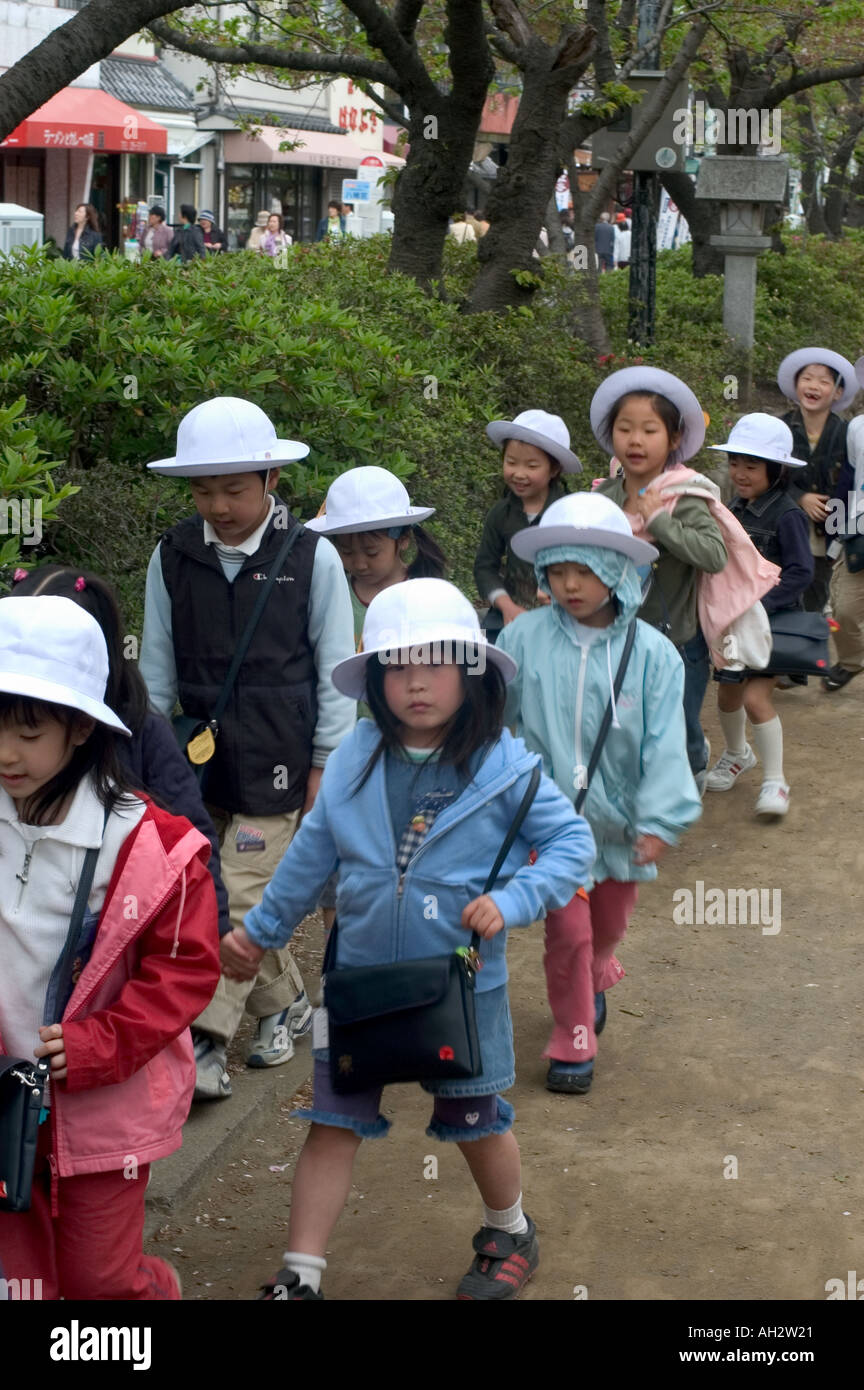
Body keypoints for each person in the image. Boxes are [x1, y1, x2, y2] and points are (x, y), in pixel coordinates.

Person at [220, 578, 596, 1300]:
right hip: (356, 979)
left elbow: (573, 846)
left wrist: (515, 898)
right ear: (375, 680)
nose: (416, 682)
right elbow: (309, 858)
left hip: (460, 986)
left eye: (435, 662)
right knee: (332, 1120)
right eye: (397, 666)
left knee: (475, 1118)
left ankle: (509, 1229)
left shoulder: (507, 769)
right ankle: (300, 1275)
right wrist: (259, 932)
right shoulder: (356, 758)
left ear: (472, 671)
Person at [0, 596, 220, 1299]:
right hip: (3, 1096)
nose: (7, 753)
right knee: (21, 1283)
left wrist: (99, 1043)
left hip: (102, 1111)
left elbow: (184, 972)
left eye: (29, 733)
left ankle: (152, 1290)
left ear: (83, 728)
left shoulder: (150, 845)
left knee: (99, 1281)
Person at [140, 398, 355, 1101]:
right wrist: (149, 765)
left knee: (237, 899)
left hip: (283, 765)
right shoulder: (173, 556)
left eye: (234, 488)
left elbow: (333, 670)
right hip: (197, 766)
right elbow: (156, 676)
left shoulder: (311, 556)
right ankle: (284, 1001)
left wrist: (327, 764)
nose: (219, 505)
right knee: (203, 897)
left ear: (271, 479)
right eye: (204, 490)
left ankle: (203, 1046)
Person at [498, 493, 701, 1094]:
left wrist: (660, 818)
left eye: (583, 571)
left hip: (619, 822)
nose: (569, 585)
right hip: (551, 821)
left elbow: (667, 740)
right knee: (569, 931)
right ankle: (573, 1039)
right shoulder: (524, 641)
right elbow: (497, 723)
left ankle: (595, 970)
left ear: (615, 572)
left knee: (607, 924)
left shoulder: (656, 657)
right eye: (556, 571)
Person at [10, 563, 231, 937]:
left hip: (121, 938)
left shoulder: (141, 735)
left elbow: (190, 841)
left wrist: (214, 923)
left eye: (30, 734)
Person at [593, 367, 727, 790]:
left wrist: (659, 521)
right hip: (616, 638)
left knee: (680, 721)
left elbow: (714, 556)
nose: (635, 440)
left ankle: (694, 757)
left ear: (672, 440)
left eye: (650, 430)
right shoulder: (602, 499)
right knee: (627, 720)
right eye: (625, 428)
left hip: (677, 643)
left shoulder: (684, 497)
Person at [702, 416, 812, 817]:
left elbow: (802, 572)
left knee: (754, 697)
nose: (740, 473)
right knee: (728, 694)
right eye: (735, 463)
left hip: (770, 624)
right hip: (733, 625)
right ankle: (736, 754)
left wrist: (759, 604)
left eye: (751, 465)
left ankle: (775, 781)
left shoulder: (787, 514)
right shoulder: (731, 509)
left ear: (775, 470)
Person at [306, 465, 446, 645]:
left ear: (403, 539)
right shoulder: (333, 593)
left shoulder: (427, 596)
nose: (359, 564)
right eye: (346, 551)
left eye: (371, 552)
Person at [474, 411, 581, 642]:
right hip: (509, 612)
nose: (519, 474)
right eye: (511, 462)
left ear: (554, 470)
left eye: (531, 466)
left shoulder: (571, 512)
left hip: (562, 615)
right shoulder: (501, 514)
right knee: (480, 662)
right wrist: (507, 606)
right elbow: (485, 567)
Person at [776, 348, 856, 612]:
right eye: (807, 378)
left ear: (838, 393)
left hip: (824, 537)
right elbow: (765, 476)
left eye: (824, 381)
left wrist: (840, 538)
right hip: (781, 528)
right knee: (779, 592)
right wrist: (800, 497)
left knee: (814, 598)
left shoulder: (847, 434)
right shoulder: (780, 428)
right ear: (796, 384)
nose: (813, 386)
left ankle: (810, 647)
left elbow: (851, 485)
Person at [823, 355, 864, 692]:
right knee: (844, 609)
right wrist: (836, 530)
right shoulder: (857, 429)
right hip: (859, 534)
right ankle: (852, 660)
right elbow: (847, 483)